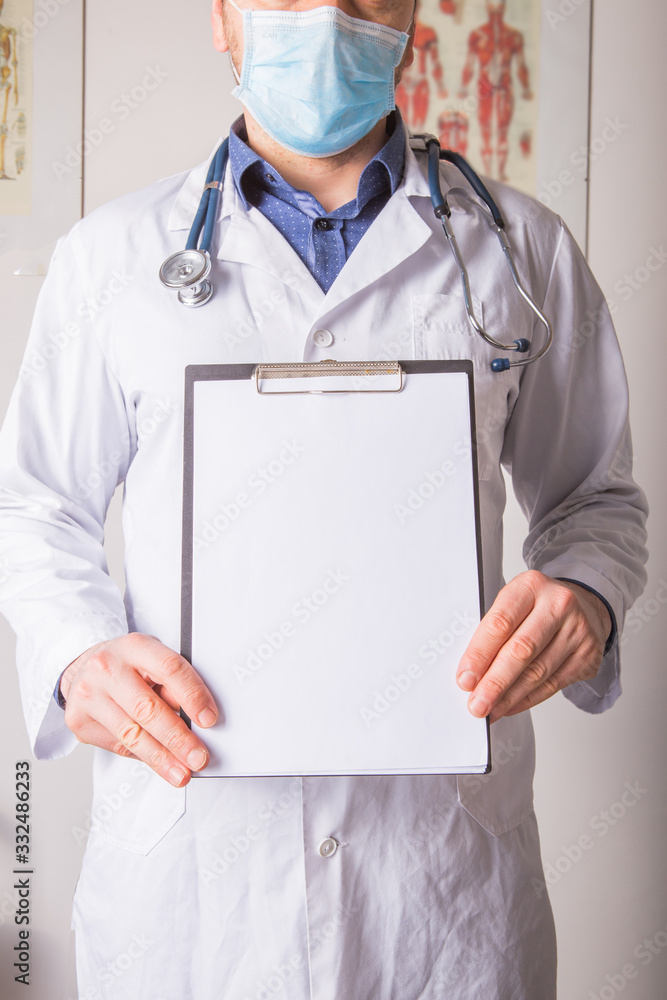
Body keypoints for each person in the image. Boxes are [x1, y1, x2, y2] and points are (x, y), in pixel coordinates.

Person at [0, 0, 648, 997]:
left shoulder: (523, 252)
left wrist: (585, 597)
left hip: (445, 894)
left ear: (413, 17)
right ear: (222, 18)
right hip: (193, 896)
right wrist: (75, 655)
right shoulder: (110, 258)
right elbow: (35, 503)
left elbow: (596, 501)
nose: (329, 17)